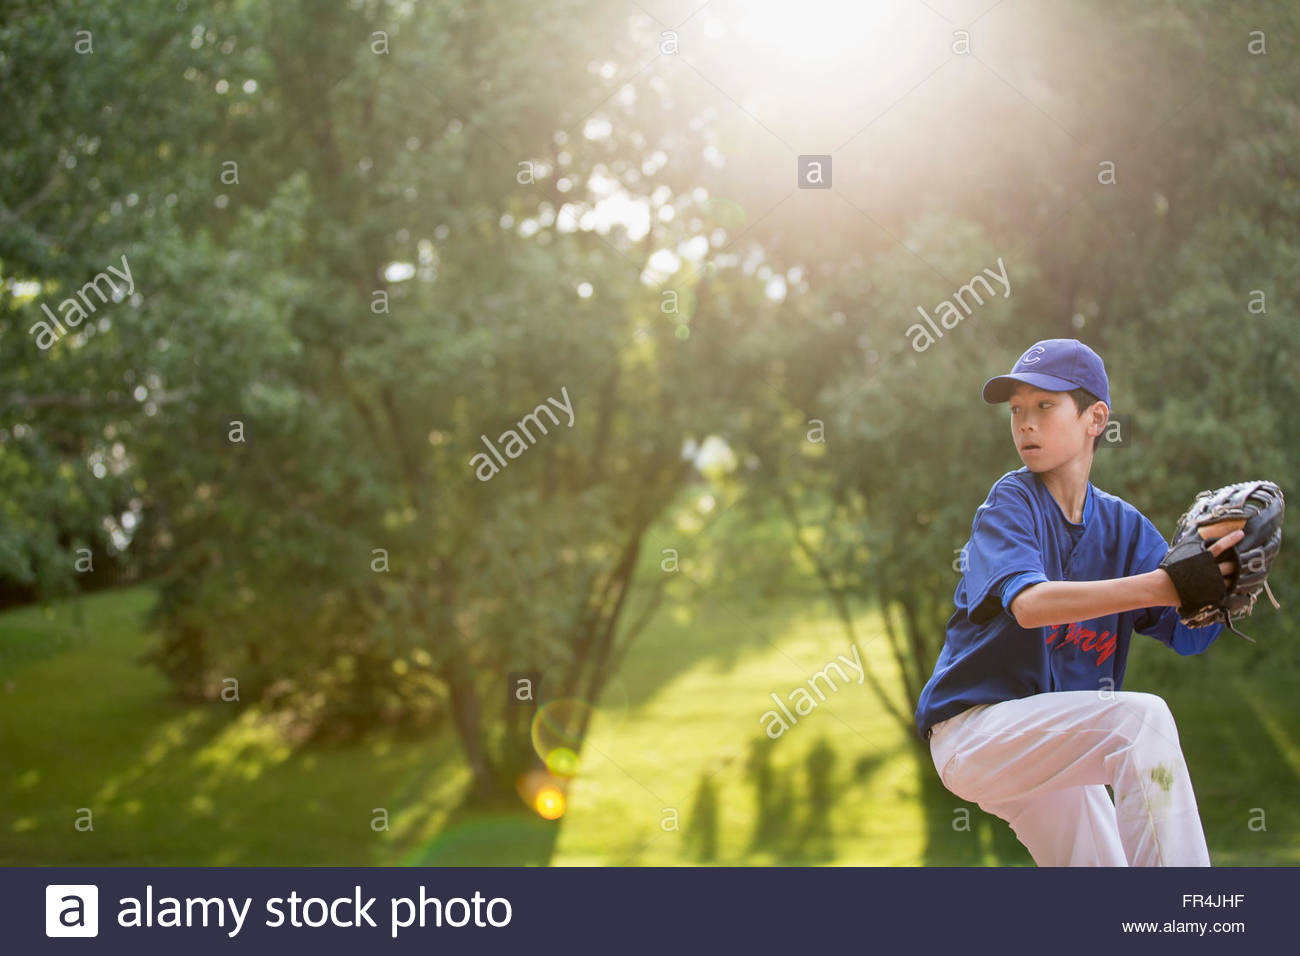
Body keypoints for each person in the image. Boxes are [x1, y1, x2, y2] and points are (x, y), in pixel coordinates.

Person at [914, 338, 1242, 866]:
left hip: (1055, 740)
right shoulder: (1011, 503)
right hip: (976, 732)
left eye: (1045, 405)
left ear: (1096, 418)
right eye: (1017, 409)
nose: (1025, 422)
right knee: (1141, 721)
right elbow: (1031, 605)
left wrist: (1226, 585)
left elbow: (1188, 631)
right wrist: (1164, 584)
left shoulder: (1124, 529)